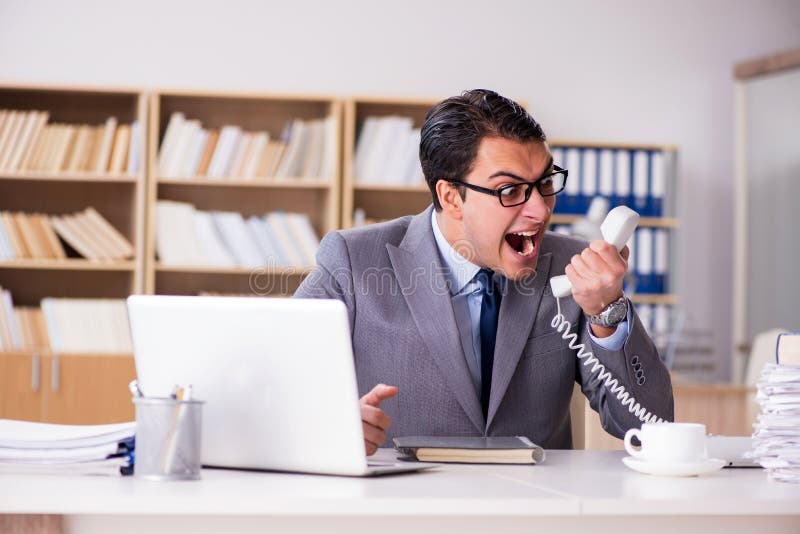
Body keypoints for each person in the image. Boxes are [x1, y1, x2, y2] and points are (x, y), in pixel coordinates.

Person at [295, 89, 674, 454]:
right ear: (450, 197)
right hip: (404, 510)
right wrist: (327, 425)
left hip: (533, 512)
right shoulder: (353, 259)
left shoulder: (571, 268)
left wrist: (607, 312)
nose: (540, 211)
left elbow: (651, 427)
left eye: (545, 183)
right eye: (509, 190)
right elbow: (270, 383)